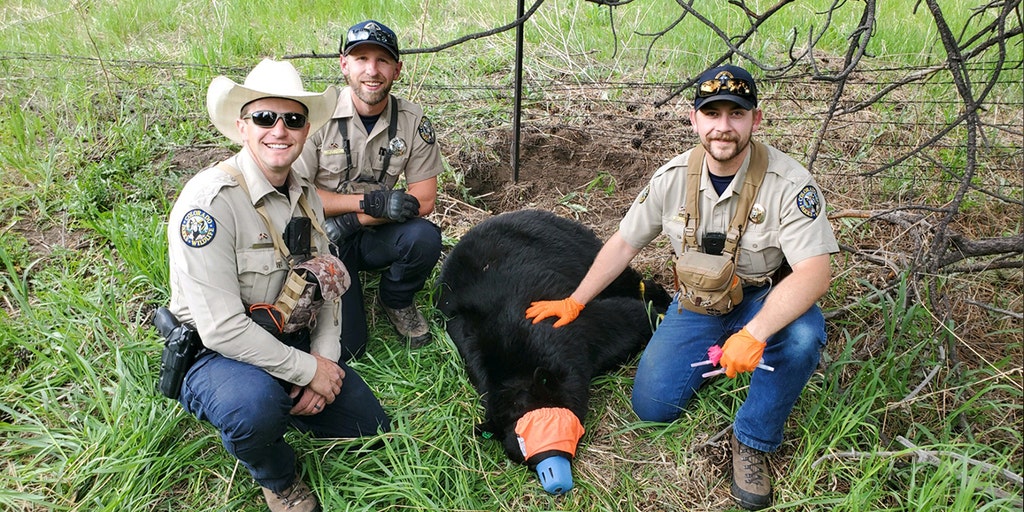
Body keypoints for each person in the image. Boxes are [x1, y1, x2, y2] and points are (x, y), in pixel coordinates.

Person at [525, 64, 838, 510]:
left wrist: (755, 333)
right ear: (694, 120)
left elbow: (815, 273)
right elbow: (624, 243)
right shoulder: (671, 178)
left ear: (756, 119)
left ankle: (753, 438)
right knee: (652, 408)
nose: (723, 127)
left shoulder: (789, 184)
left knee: (803, 335)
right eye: (712, 113)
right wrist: (575, 301)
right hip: (696, 304)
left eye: (736, 113)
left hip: (761, 298)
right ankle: (719, 354)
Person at [166, 59, 391, 512]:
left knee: (371, 429)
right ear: (242, 127)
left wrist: (323, 365)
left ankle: (288, 402)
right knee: (254, 409)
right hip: (217, 353)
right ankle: (278, 477)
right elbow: (222, 329)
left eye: (293, 119)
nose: (279, 130)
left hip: (288, 331)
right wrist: (305, 371)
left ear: (306, 131)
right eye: (265, 118)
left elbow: (326, 283)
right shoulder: (208, 205)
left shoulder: (305, 195)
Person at [296, 19, 443, 358]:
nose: (372, 70)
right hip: (324, 238)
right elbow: (299, 197)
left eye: (382, 60)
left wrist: (356, 218)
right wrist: (371, 203)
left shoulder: (412, 121)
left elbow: (424, 198)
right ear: (344, 64)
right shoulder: (317, 117)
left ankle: (396, 298)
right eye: (361, 59)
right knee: (350, 348)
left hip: (370, 232)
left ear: (397, 69)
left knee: (424, 238)